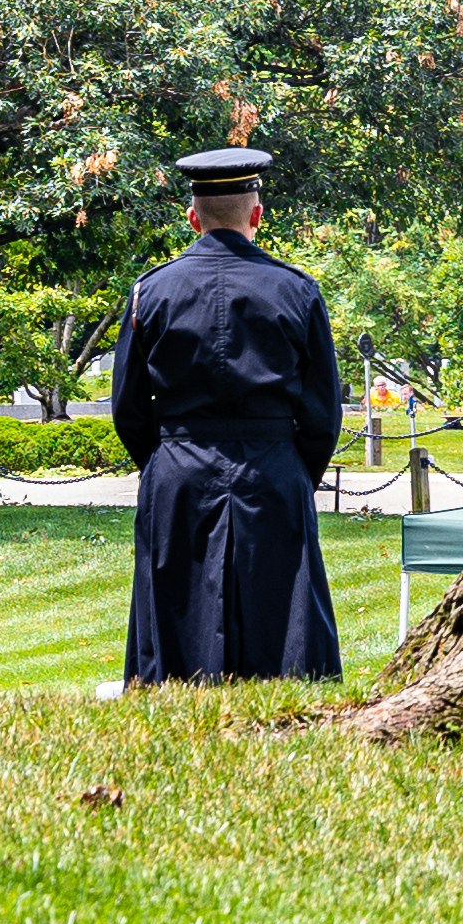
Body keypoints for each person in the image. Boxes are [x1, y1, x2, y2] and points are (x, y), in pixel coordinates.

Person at [113, 144, 344, 684]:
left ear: (193, 217)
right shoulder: (298, 290)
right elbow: (321, 410)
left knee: (176, 608)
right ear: (256, 215)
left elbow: (127, 406)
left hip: (179, 466)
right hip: (272, 466)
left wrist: (166, 459)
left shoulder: (150, 292)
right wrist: (293, 470)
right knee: (280, 611)